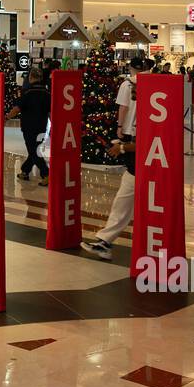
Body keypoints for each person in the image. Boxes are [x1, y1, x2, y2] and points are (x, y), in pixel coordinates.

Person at [81, 54, 149, 259]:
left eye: (136, 91)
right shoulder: (143, 97)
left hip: (142, 162)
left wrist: (120, 146)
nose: (134, 93)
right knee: (124, 200)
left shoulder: (140, 99)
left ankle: (106, 242)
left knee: (126, 201)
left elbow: (143, 142)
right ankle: (105, 241)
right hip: (135, 165)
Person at [9, 67, 51, 183]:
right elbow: (50, 112)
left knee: (33, 151)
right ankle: (25, 171)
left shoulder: (27, 93)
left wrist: (6, 117)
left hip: (29, 126)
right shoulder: (47, 94)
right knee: (35, 149)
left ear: (31, 78)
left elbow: (17, 109)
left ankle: (46, 174)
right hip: (42, 126)